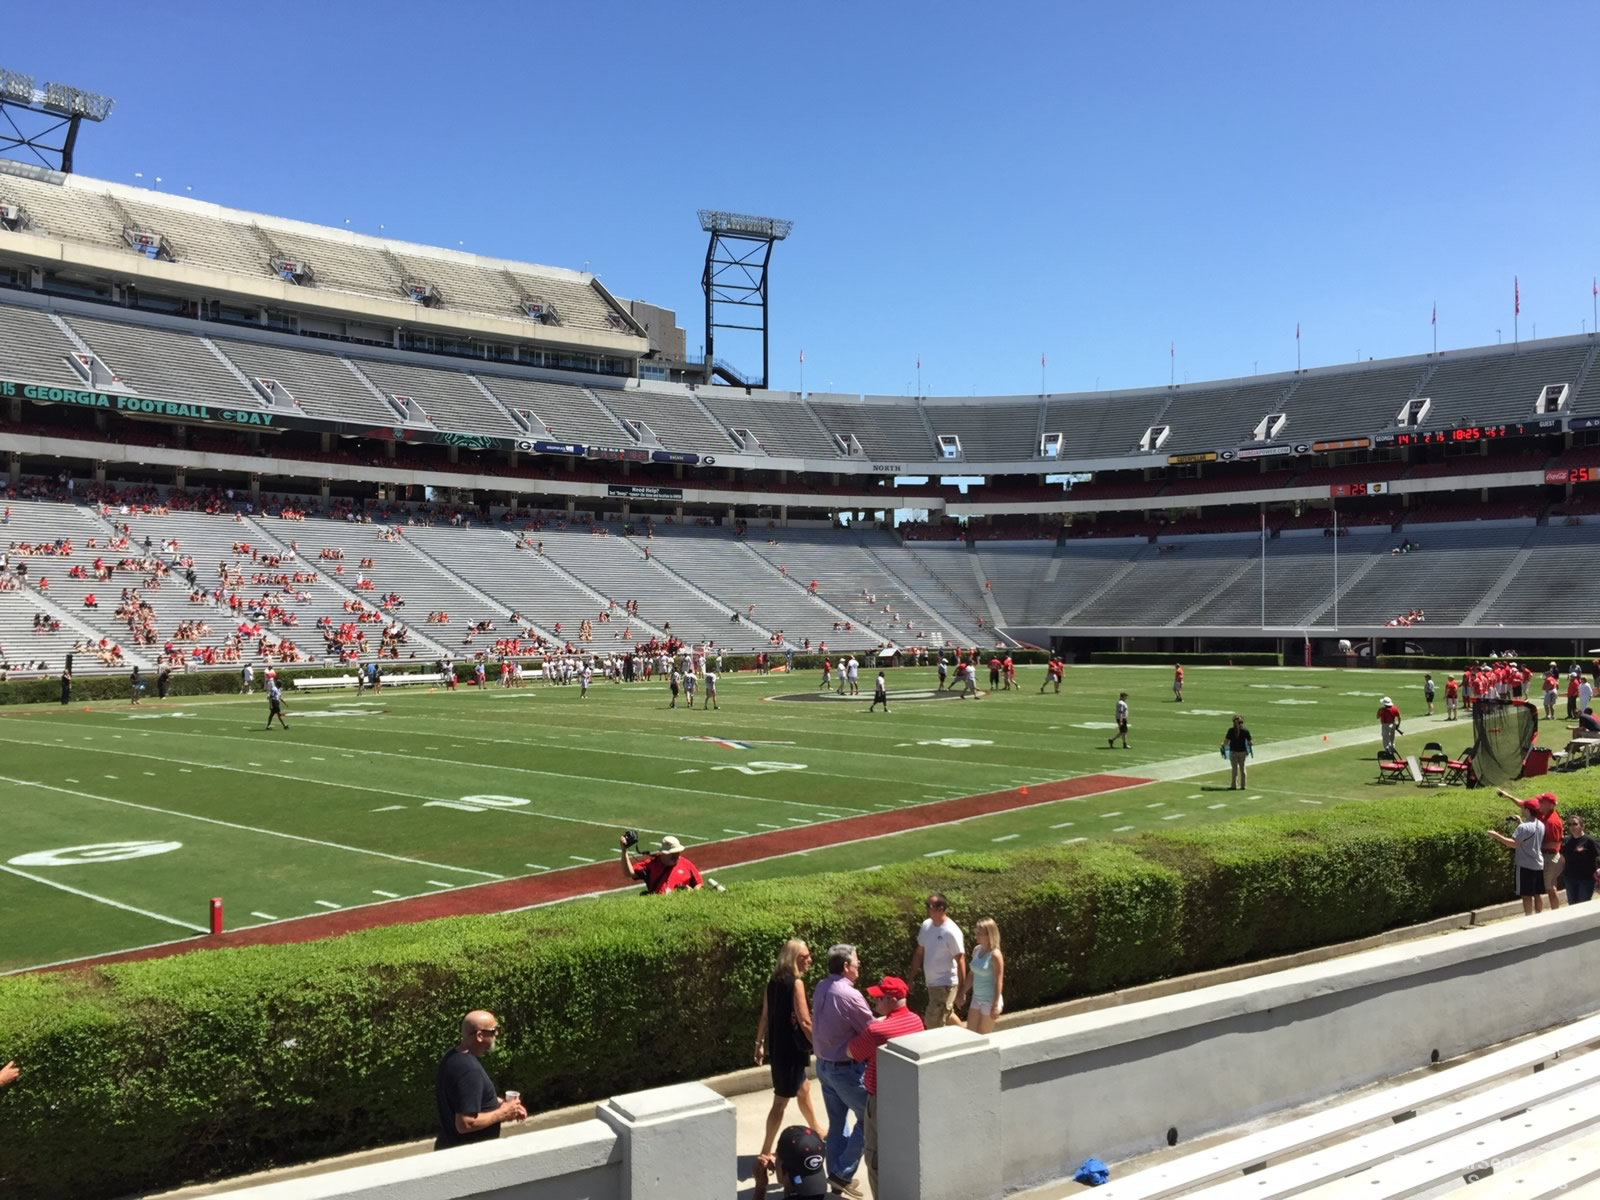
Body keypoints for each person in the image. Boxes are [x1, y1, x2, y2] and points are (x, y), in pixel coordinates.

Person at [847, 976, 924, 1200]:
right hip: (907, 1095)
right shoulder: (916, 1021)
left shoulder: (878, 1031)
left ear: (891, 1000)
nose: (875, 1004)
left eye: (879, 999)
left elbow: (852, 1052)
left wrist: (873, 1026)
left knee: (874, 1156)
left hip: (880, 1099)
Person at [810, 944, 873, 1197]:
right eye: (857, 962)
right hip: (846, 1071)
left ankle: (835, 1177)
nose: (859, 966)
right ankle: (842, 1172)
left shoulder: (821, 986)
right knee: (871, 1118)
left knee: (837, 1123)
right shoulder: (850, 995)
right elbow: (871, 1031)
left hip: (824, 1067)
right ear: (846, 966)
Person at [754, 941, 822, 1169]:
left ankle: (816, 1128)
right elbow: (804, 1021)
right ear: (793, 957)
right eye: (805, 956)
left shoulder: (772, 982)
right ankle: (765, 1152)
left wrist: (759, 1043)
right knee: (780, 1101)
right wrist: (821, 1046)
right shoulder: (796, 984)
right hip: (790, 1050)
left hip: (778, 1046)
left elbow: (765, 1016)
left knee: (803, 1088)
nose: (809, 960)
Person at [434, 1010, 525, 1151]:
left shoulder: (453, 1057)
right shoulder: (469, 1070)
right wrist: (502, 1113)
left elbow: (470, 1097)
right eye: (494, 1031)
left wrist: (504, 1104)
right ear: (480, 1036)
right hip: (468, 1157)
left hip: (450, 1148)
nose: (497, 1034)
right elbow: (465, 1123)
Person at [909, 892, 966, 1029]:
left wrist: (961, 991)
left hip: (945, 983)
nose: (927, 909)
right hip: (932, 983)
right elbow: (919, 952)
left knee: (934, 1021)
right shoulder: (926, 926)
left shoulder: (951, 931)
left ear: (941, 909)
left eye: (930, 906)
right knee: (947, 1013)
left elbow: (961, 960)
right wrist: (911, 978)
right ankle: (968, 1036)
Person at [1488, 798, 1547, 916]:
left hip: (1525, 865)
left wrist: (1496, 835)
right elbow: (1528, 834)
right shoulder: (1540, 824)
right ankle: (1540, 915)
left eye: (1523, 808)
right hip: (1538, 864)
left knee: (1526, 895)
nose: (1521, 809)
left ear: (1527, 810)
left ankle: (1529, 917)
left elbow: (1513, 844)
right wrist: (1520, 821)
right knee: (1537, 893)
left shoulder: (1523, 828)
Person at [959, 918, 1005, 1035]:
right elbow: (972, 974)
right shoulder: (977, 950)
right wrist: (962, 992)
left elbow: (998, 981)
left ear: (989, 934)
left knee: (982, 1036)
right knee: (971, 1034)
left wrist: (995, 1005)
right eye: (977, 932)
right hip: (977, 998)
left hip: (989, 1001)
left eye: (980, 933)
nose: (977, 936)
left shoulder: (995, 954)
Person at [620, 833, 703, 893]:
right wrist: (624, 851)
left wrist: (692, 892)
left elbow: (699, 884)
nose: (676, 856)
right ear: (663, 853)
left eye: (678, 853)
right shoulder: (651, 865)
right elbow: (629, 873)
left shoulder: (686, 864)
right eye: (672, 853)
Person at [1221, 715, 1253, 790]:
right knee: (1243, 769)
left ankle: (1234, 785)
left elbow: (1226, 742)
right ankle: (1243, 785)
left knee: (1234, 769)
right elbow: (1250, 742)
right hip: (1242, 752)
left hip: (1233, 752)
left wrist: (1222, 744)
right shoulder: (1245, 731)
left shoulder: (1231, 730)